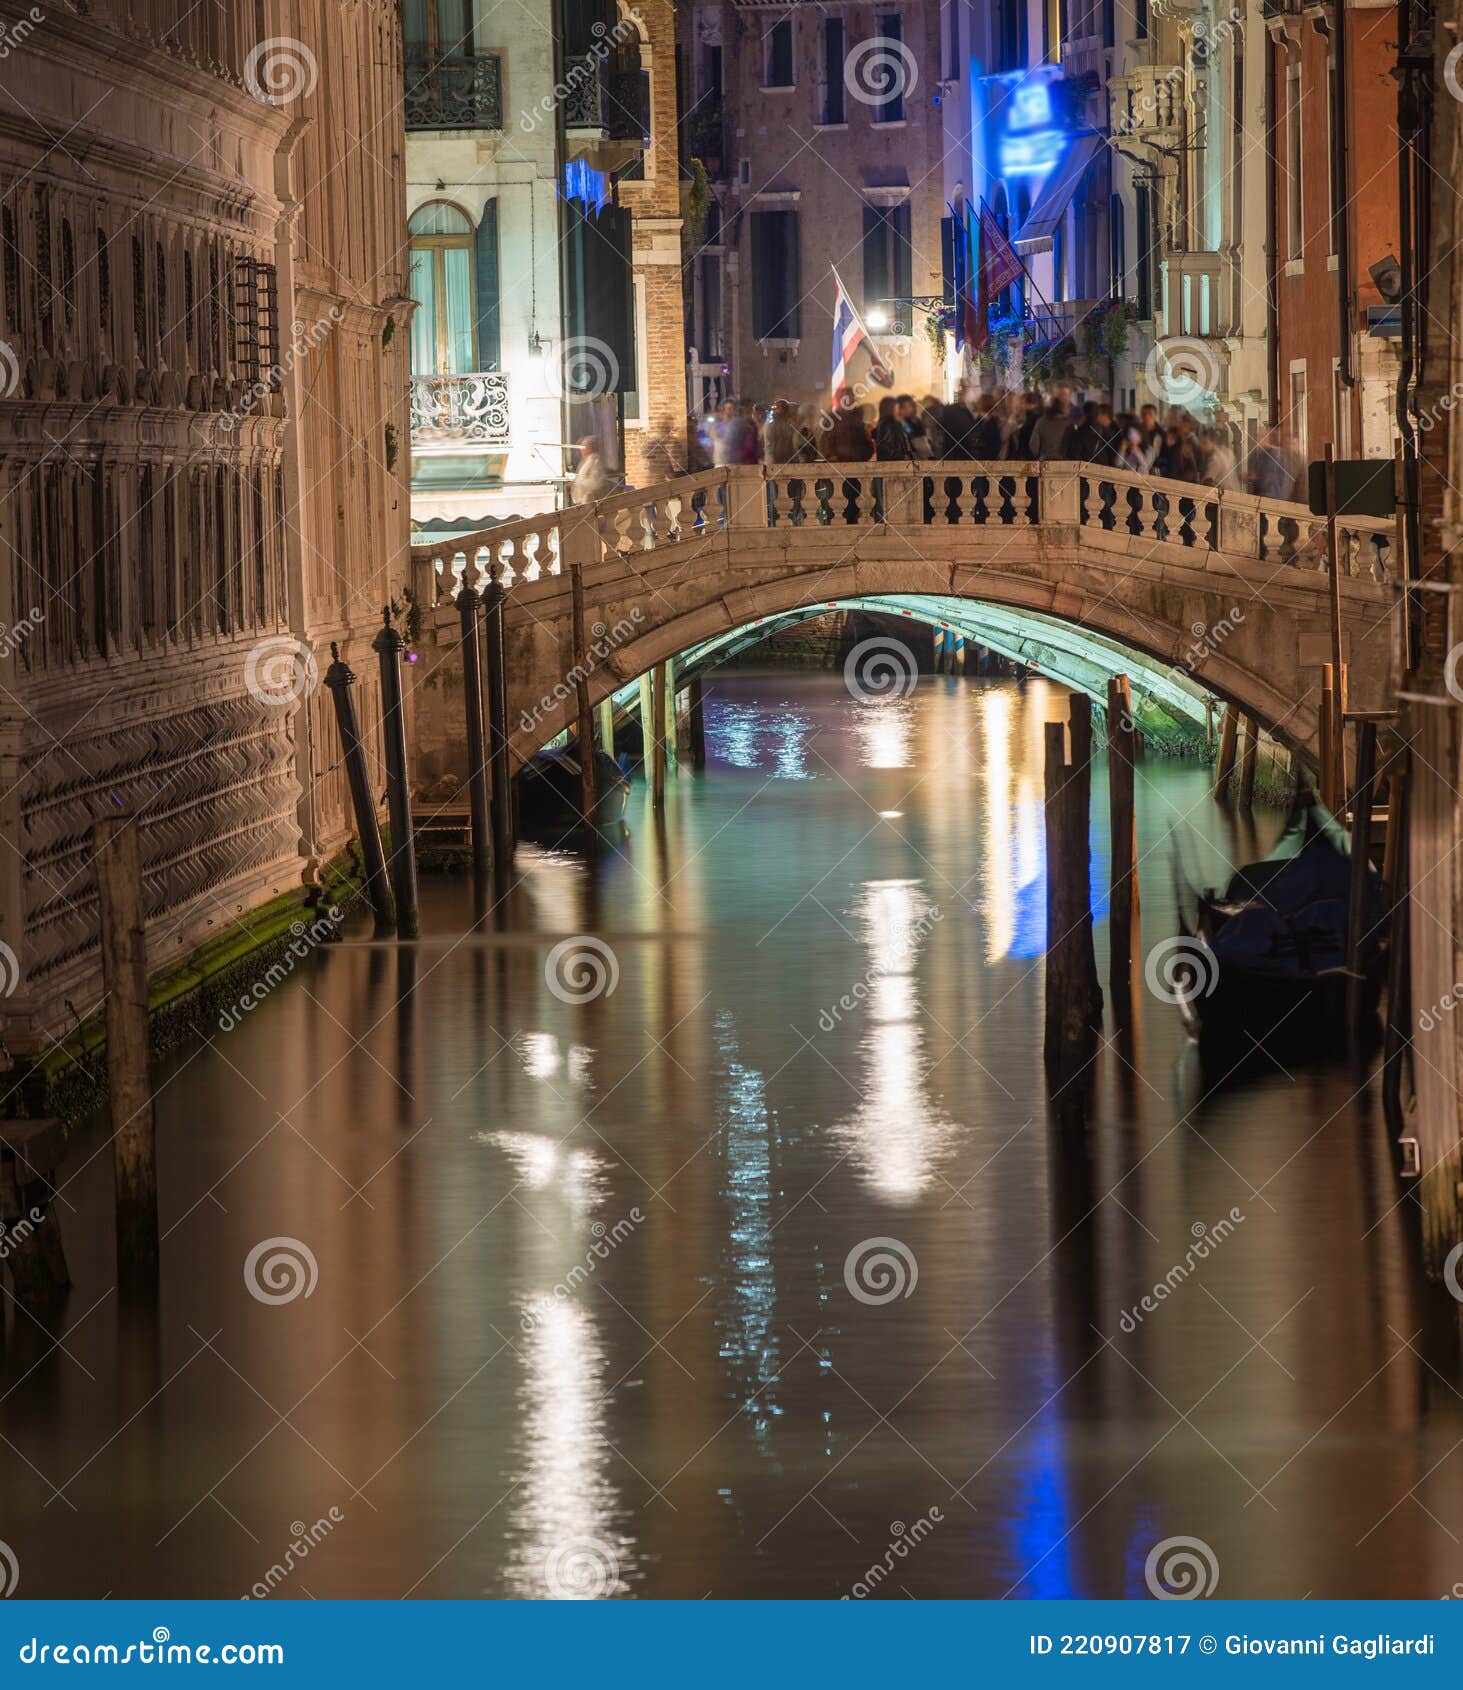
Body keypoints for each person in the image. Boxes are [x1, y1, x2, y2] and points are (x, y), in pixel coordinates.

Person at [1030, 396, 1074, 461]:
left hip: (1044, 461)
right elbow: (1072, 444)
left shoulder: (1041, 422)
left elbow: (1033, 445)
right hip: (1064, 462)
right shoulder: (1069, 423)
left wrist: (1037, 455)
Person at [571, 436, 610, 504]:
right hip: (583, 501)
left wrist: (576, 483)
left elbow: (595, 483)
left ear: (591, 448)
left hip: (592, 502)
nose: (581, 450)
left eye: (584, 447)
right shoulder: (586, 461)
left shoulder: (596, 462)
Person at [763, 399, 801, 465]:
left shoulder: (787, 421)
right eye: (784, 408)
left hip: (788, 458)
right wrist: (770, 461)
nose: (787, 411)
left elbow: (791, 438)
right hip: (776, 459)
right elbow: (769, 444)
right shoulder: (771, 423)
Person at [874, 395, 912, 459]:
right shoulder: (887, 423)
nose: (899, 410)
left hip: (894, 463)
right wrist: (901, 456)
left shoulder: (891, 422)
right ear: (891, 408)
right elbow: (883, 447)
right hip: (893, 464)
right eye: (897, 407)